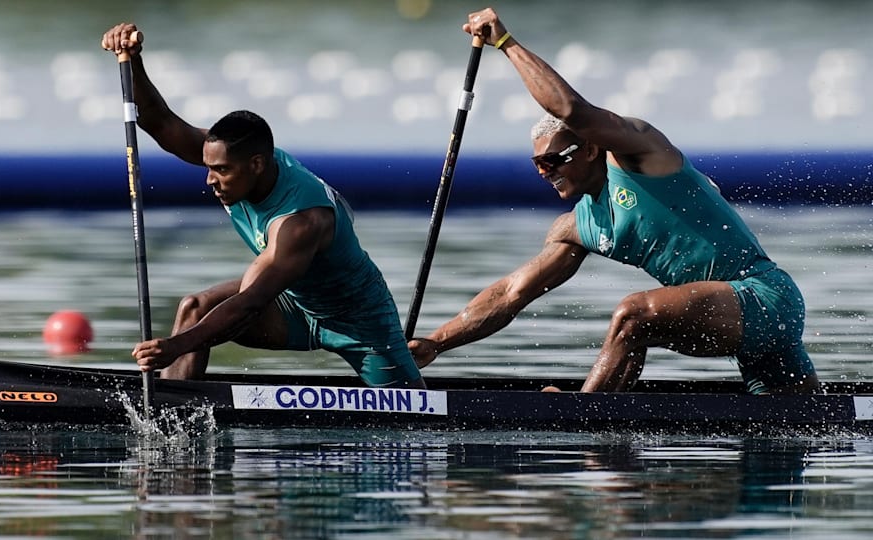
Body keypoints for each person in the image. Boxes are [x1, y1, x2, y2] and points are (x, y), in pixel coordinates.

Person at [407, 8, 820, 395]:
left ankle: (586, 419)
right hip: (729, 321)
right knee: (802, 431)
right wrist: (435, 343)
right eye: (538, 164)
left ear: (589, 148)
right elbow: (511, 294)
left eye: (553, 160)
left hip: (766, 298)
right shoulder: (577, 226)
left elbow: (573, 110)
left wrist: (506, 43)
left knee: (632, 315)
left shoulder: (642, 154)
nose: (545, 172)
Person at [101, 24, 425, 389]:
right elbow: (159, 122)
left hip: (358, 320)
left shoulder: (302, 220)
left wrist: (174, 346)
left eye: (221, 171)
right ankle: (171, 409)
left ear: (256, 164)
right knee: (194, 307)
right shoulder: (236, 159)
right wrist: (134, 62)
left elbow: (252, 301)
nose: (210, 180)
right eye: (209, 168)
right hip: (295, 305)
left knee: (412, 412)